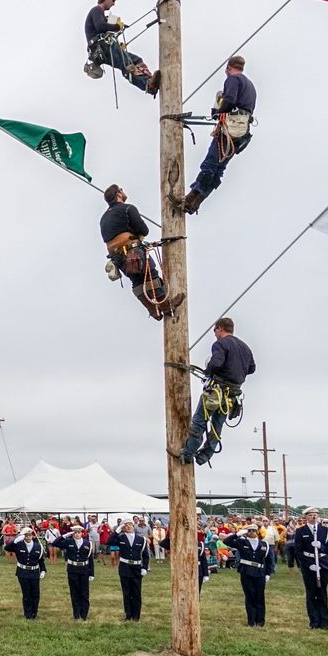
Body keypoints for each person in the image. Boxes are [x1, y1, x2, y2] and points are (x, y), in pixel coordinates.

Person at [175, 317, 255, 465]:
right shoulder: (245, 348)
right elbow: (252, 368)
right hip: (232, 395)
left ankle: (188, 454)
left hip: (216, 391)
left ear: (220, 328)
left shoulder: (220, 344)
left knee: (199, 421)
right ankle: (204, 456)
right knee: (217, 427)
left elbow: (216, 363)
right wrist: (236, 373)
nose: (215, 334)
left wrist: (208, 372)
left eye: (215, 331)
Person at [182, 56, 256, 215]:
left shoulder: (233, 79)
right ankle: (197, 201)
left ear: (228, 68)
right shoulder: (250, 86)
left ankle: (191, 198)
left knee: (210, 163)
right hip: (242, 130)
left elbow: (229, 100)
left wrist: (217, 113)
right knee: (219, 168)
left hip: (231, 126)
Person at [100, 184, 186, 321]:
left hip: (118, 259)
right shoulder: (128, 208)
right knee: (151, 276)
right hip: (133, 251)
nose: (123, 191)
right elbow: (144, 230)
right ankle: (166, 305)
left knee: (137, 282)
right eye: (121, 189)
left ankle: (153, 311)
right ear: (118, 195)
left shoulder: (103, 219)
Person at [84, 0, 160, 95]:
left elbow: (103, 28)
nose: (113, 3)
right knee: (126, 65)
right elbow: (100, 26)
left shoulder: (101, 14)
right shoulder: (96, 10)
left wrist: (118, 43)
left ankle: (149, 78)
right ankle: (148, 85)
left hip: (103, 47)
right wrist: (116, 26)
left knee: (136, 60)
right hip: (100, 47)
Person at [224, 523, 275, 626]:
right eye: (249, 530)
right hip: (246, 571)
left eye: (254, 530)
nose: (252, 532)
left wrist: (268, 573)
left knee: (260, 596)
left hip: (260, 572)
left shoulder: (264, 544)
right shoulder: (241, 542)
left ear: (257, 532)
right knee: (250, 596)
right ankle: (251, 621)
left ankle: (260, 621)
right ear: (246, 533)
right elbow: (226, 541)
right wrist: (237, 534)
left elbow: (269, 560)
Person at [294, 508, 328, 629]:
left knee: (322, 592)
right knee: (311, 593)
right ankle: (314, 621)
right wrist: (306, 564)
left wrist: (321, 547)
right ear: (306, 517)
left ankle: (324, 622)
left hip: (322, 563)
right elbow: (298, 550)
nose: (313, 517)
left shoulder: (325, 530)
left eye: (315, 515)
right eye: (310, 515)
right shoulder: (301, 531)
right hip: (309, 564)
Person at [110, 522, 153, 621]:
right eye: (126, 525)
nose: (128, 526)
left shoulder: (141, 539)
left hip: (136, 568)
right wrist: (117, 531)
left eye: (130, 525)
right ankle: (128, 615)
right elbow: (109, 541)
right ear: (123, 528)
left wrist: (144, 568)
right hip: (125, 568)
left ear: (134, 527)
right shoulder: (121, 538)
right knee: (126, 593)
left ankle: (136, 616)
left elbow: (146, 555)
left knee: (136, 593)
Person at [5, 525, 48, 620]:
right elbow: (7, 548)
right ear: (23, 536)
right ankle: (28, 614)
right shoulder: (18, 545)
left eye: (30, 535)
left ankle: (34, 613)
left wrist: (43, 570)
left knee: (35, 594)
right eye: (26, 535)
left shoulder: (38, 546)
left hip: (34, 572)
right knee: (27, 594)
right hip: (23, 572)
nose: (28, 537)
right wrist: (15, 540)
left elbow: (40, 560)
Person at [53, 522, 95, 621]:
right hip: (72, 569)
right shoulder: (69, 542)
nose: (77, 534)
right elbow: (55, 543)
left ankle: (84, 614)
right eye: (75, 532)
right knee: (74, 592)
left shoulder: (87, 543)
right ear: (72, 533)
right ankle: (76, 614)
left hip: (84, 569)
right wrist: (64, 536)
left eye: (79, 532)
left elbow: (90, 560)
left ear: (82, 533)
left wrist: (91, 573)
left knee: (84, 593)